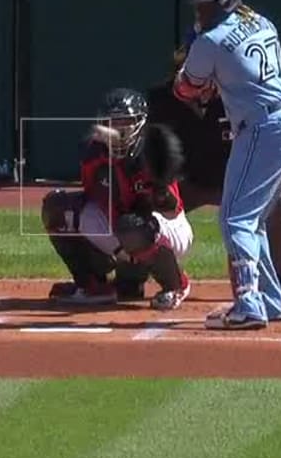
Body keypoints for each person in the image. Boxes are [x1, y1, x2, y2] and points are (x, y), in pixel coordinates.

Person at [174, 0, 281, 330]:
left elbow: (187, 91)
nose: (199, 12)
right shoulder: (260, 21)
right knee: (251, 219)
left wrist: (189, 57)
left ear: (220, 5)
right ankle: (268, 301)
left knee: (235, 219)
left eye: (204, 6)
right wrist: (200, 53)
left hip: (265, 128)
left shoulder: (209, 41)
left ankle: (248, 305)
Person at [146, 43, 281, 301]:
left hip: (240, 180)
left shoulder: (239, 97)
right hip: (188, 182)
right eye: (188, 73)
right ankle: (132, 275)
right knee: (139, 205)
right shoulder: (160, 101)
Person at [41, 88, 193, 310]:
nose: (120, 128)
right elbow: (100, 200)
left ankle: (176, 284)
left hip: (166, 227)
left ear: (140, 123)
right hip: (122, 223)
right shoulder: (94, 155)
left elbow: (172, 210)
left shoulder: (153, 148)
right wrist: (120, 251)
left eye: (127, 122)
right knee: (57, 207)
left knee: (131, 227)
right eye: (114, 122)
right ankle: (93, 286)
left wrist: (160, 192)